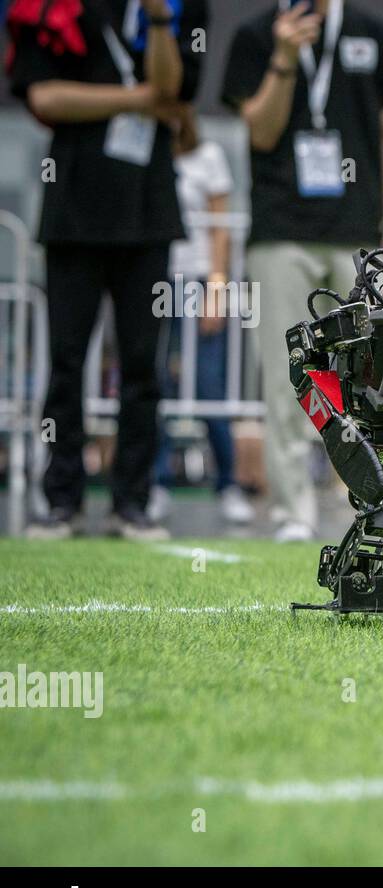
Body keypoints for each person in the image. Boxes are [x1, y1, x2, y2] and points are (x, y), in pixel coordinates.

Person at [9, 0, 208, 541]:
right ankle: (61, 498)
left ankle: (133, 502)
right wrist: (138, 99)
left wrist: (160, 20)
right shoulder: (57, 5)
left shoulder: (180, 8)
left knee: (143, 363)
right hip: (73, 207)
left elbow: (176, 91)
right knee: (67, 359)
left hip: (148, 211)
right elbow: (45, 96)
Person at [221, 0, 383, 542]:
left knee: (379, 371)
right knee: (291, 374)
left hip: (358, 235)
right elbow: (260, 132)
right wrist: (285, 58)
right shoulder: (256, 35)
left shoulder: (373, 32)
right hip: (282, 231)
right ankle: (293, 510)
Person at [149, 105, 255, 526]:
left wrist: (216, 286)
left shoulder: (207, 156)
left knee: (210, 384)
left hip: (196, 281)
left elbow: (220, 228)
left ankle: (228, 484)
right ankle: (155, 482)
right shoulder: (149, 154)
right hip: (154, 279)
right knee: (153, 381)